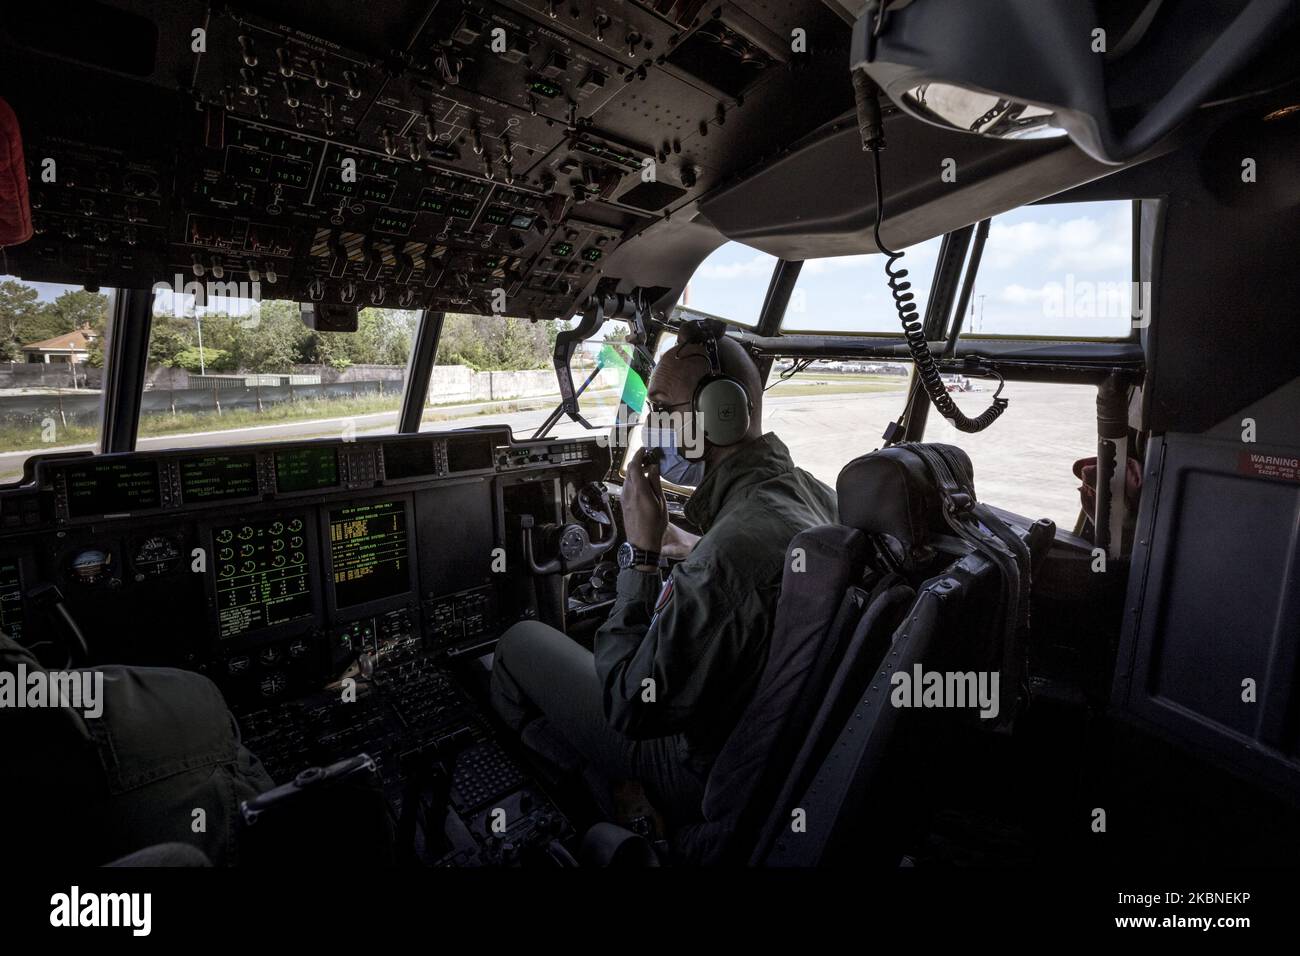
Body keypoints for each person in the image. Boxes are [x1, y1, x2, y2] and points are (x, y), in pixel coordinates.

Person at [490, 322, 837, 828]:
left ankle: (563, 811)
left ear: (720, 414)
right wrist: (694, 545)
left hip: (695, 767)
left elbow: (632, 707)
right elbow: (768, 575)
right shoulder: (814, 495)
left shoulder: (733, 554)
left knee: (519, 642)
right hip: (778, 755)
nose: (650, 424)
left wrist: (643, 553)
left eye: (660, 408)